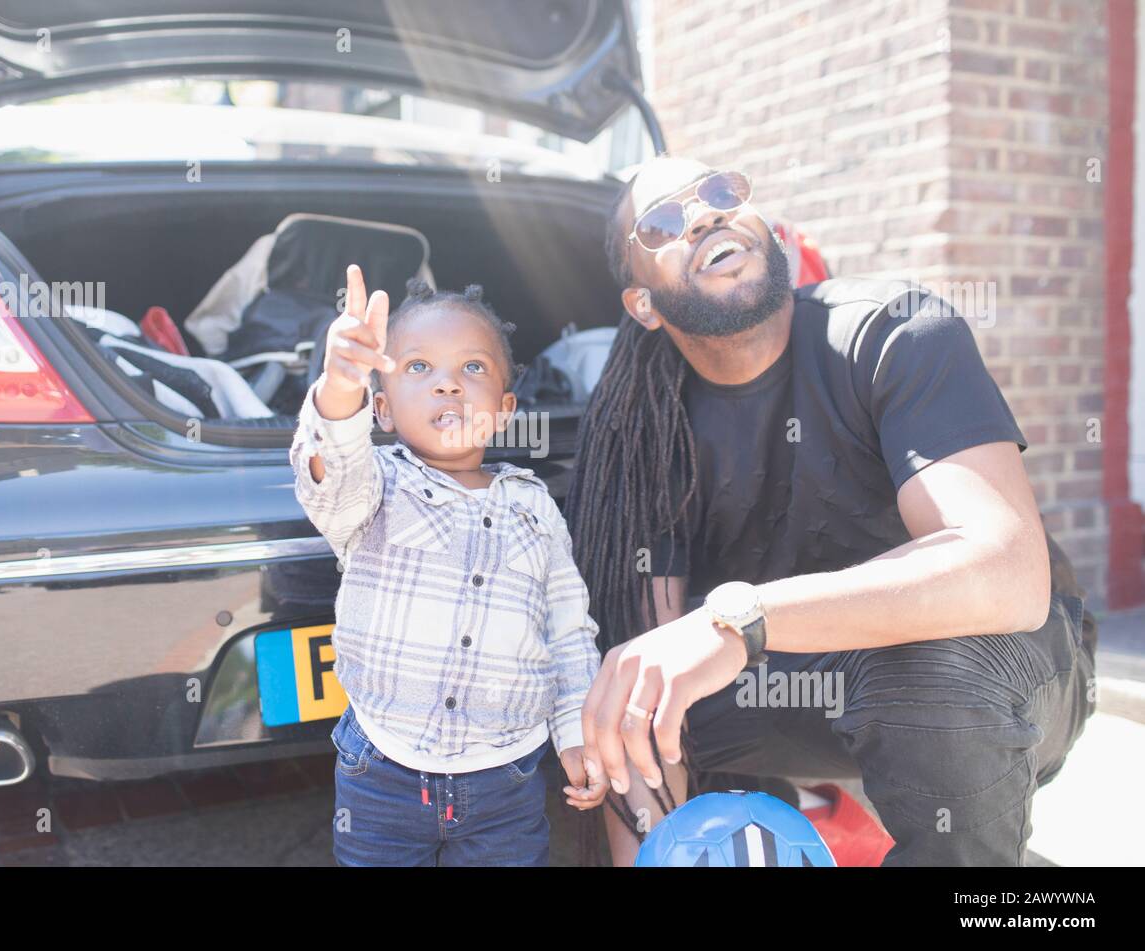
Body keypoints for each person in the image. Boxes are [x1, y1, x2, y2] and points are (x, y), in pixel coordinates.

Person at [566, 156, 1097, 866]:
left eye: (721, 191)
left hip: (996, 664)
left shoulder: (895, 335)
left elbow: (1006, 572)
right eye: (665, 221)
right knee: (584, 728)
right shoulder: (647, 424)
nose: (706, 214)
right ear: (642, 305)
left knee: (927, 680)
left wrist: (741, 621)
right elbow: (647, 680)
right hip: (796, 681)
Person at [290, 267, 607, 866]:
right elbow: (329, 476)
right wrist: (340, 384)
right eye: (418, 368)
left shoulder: (534, 507)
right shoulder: (376, 488)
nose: (448, 386)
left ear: (506, 409)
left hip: (506, 776)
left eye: (473, 368)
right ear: (380, 409)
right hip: (381, 767)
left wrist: (575, 733)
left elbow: (567, 634)